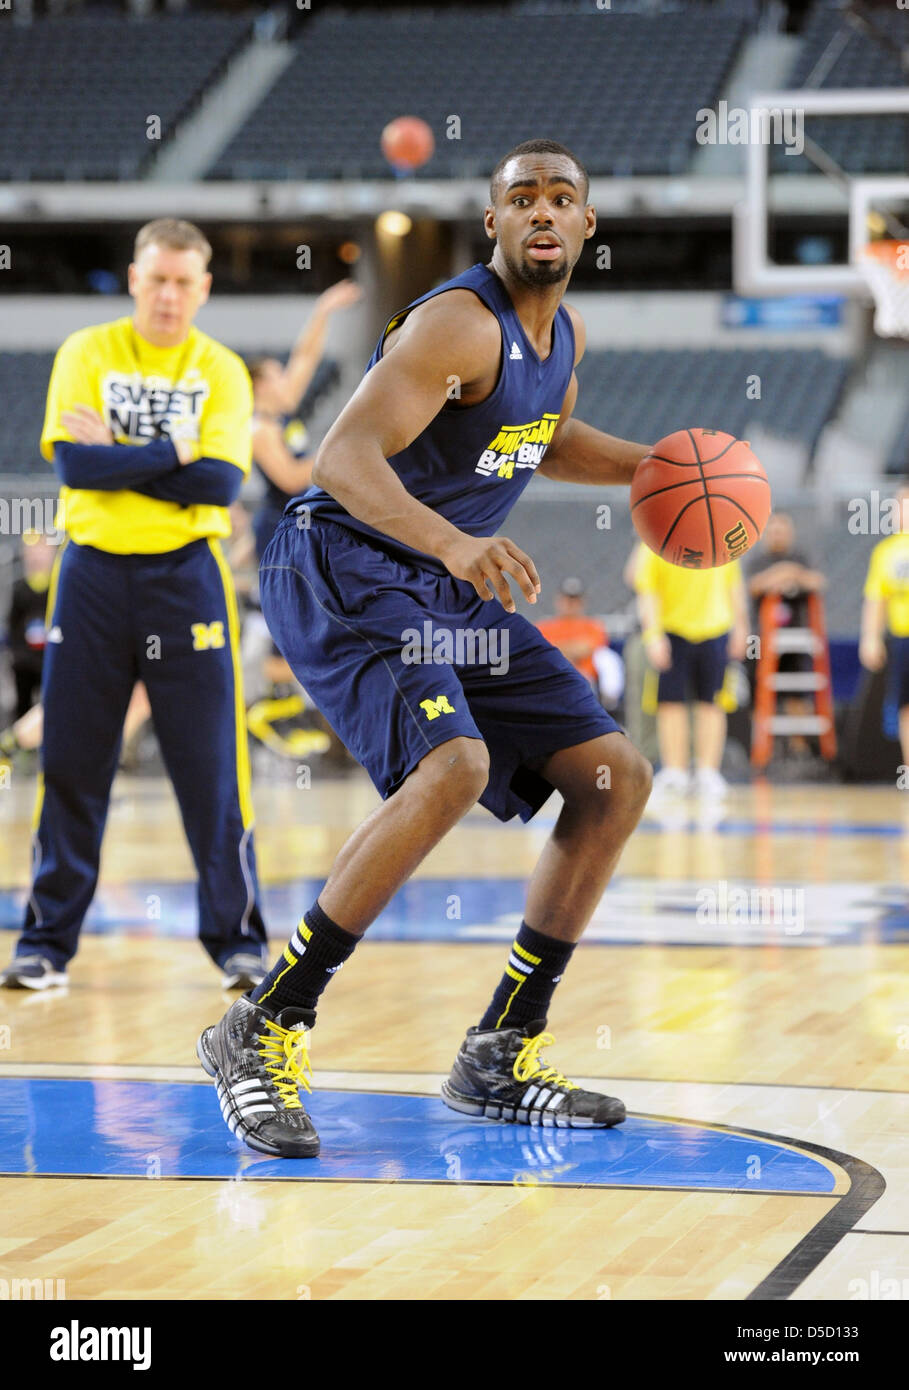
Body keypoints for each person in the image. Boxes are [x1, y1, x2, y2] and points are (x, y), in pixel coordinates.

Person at [197, 139, 654, 1159]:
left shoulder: (561, 337)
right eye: (521, 198)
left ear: (588, 227)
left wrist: (662, 467)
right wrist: (453, 539)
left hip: (443, 584)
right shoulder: (457, 319)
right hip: (345, 562)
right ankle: (260, 1025)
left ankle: (500, 1048)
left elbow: (544, 438)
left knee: (613, 776)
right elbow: (342, 453)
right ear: (491, 224)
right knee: (455, 765)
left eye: (562, 198)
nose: (543, 212)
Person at [0, 218, 269, 993]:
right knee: (72, 763)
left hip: (187, 575)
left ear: (204, 288)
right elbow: (79, 469)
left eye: (185, 281)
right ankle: (45, 945)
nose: (169, 295)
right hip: (91, 577)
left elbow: (219, 485)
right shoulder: (87, 351)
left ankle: (237, 944)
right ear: (133, 278)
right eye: (157, 278)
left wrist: (122, 452)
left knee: (212, 767)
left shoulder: (220, 369)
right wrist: (172, 451)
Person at [635, 544, 747, 800]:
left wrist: (741, 627)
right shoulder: (658, 537)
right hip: (672, 629)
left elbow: (735, 586)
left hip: (716, 628)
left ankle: (708, 771)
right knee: (670, 703)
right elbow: (646, 589)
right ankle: (676, 771)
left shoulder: (720, 536)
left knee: (712, 703)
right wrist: (652, 635)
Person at [745, 511, 826, 757]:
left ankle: (798, 747)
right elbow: (753, 586)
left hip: (795, 638)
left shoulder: (800, 557)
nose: (777, 535)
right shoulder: (757, 561)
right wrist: (783, 573)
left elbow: (817, 581)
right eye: (773, 530)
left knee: (797, 692)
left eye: (782, 530)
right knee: (755, 687)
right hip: (758, 638)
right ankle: (759, 747)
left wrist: (791, 572)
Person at [860, 481, 909, 766]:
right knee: (905, 705)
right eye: (897, 505)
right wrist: (870, 637)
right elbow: (876, 599)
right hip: (902, 638)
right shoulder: (885, 551)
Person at [536, 576, 608, 690]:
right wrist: (572, 650)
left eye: (575, 600)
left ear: (582, 602)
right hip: (551, 678)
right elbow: (541, 653)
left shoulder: (593, 626)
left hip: (583, 679)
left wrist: (558, 648)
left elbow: (586, 648)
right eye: (567, 599)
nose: (571, 604)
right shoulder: (544, 627)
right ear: (558, 601)